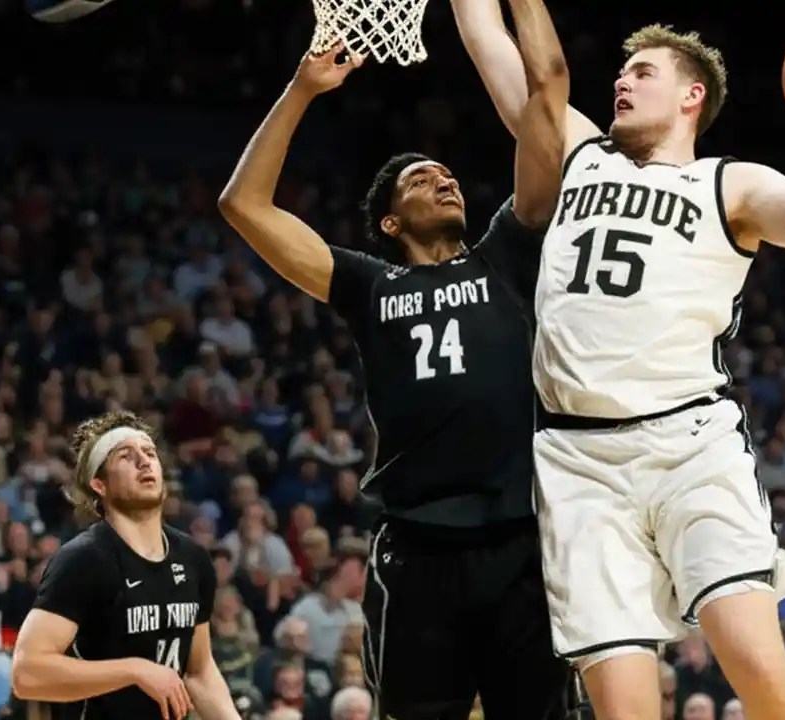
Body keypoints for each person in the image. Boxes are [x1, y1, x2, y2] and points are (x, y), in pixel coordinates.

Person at [453, 3, 785, 718]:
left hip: (688, 446)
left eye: (642, 72)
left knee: (755, 658)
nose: (622, 84)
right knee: (623, 703)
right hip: (577, 463)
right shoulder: (579, 150)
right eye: (619, 74)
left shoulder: (730, 184)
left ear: (691, 94)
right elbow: (491, 41)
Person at [216, 0, 572, 715]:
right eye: (421, 179)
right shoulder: (369, 282)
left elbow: (549, 92)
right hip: (417, 546)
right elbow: (243, 204)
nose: (444, 180)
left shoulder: (508, 252)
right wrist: (303, 90)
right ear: (388, 221)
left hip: (522, 543)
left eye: (447, 174)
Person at [10, 410, 236, 719]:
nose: (144, 461)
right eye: (125, 457)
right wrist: (134, 670)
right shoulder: (84, 559)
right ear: (100, 485)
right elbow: (27, 674)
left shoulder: (192, 557)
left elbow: (198, 672)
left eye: (149, 453)